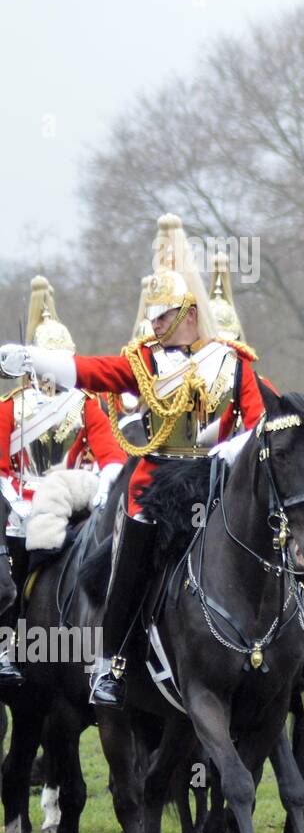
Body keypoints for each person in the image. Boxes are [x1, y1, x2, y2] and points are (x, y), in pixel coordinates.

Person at [0, 214, 266, 707]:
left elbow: (256, 423)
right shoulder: (143, 360)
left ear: (189, 312)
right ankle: (112, 661)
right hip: (156, 481)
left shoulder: (232, 360)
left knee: (276, 533)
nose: (154, 324)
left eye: (163, 317)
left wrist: (225, 453)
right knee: (129, 558)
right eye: (153, 316)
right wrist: (33, 359)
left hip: (218, 478)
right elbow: (91, 371)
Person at [0, 278, 127, 687]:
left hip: (69, 500)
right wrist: (18, 502)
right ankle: (8, 644)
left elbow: (112, 457)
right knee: (11, 571)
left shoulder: (85, 406)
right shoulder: (11, 407)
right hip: (20, 502)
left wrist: (103, 486)